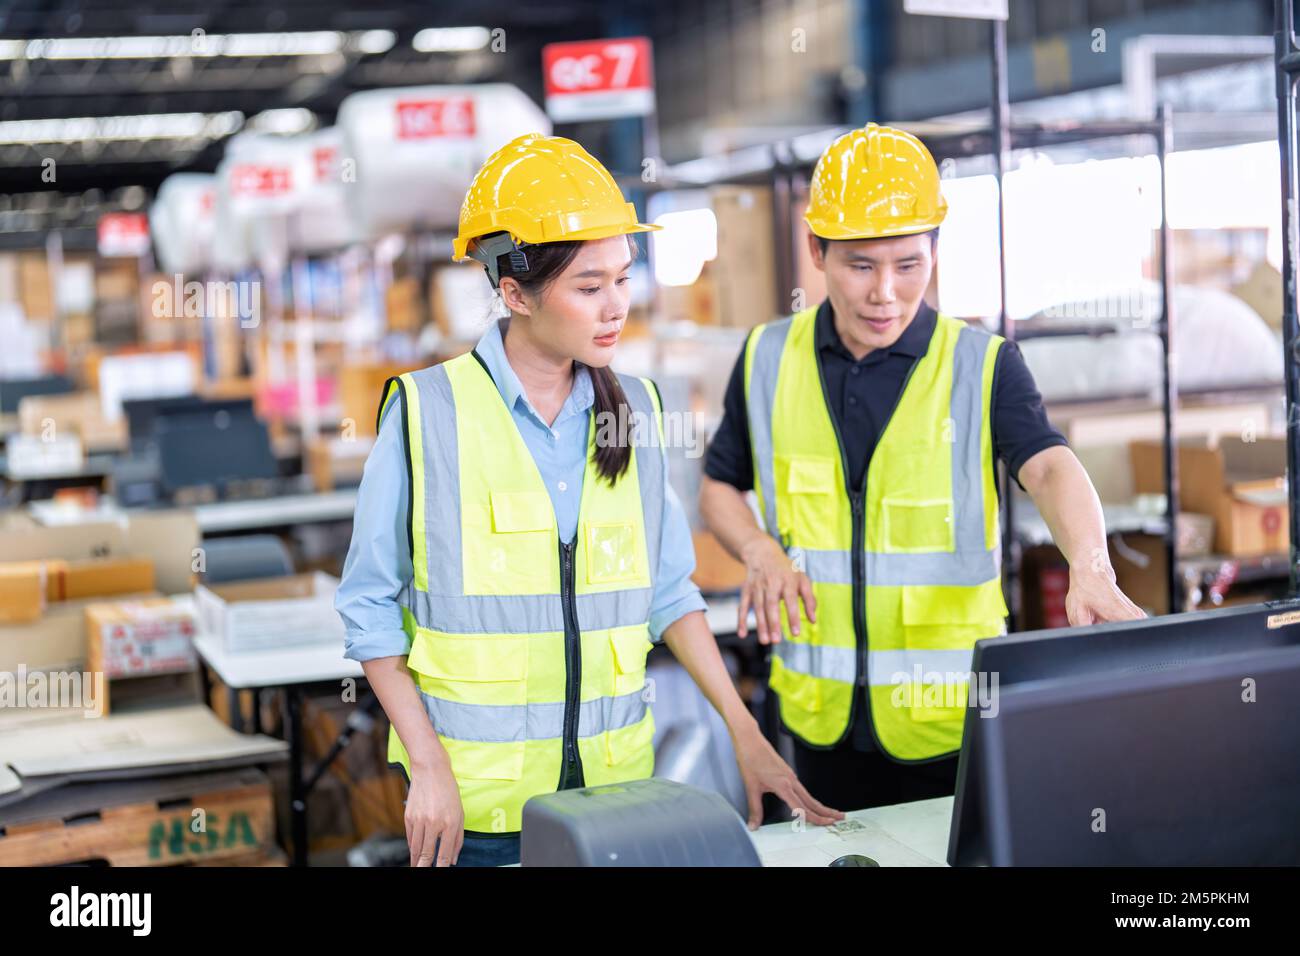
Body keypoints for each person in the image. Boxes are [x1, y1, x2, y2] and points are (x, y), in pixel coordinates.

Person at [336, 133, 842, 867]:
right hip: (478, 813)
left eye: (622, 277)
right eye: (588, 285)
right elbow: (368, 606)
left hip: (614, 800)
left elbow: (670, 591)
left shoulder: (634, 408)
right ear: (514, 293)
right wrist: (430, 767)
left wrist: (744, 731)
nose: (616, 307)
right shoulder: (425, 411)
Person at [698, 122, 1146, 814]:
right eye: (861, 265)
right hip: (819, 723)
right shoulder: (765, 357)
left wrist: (1090, 562)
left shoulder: (982, 364)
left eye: (909, 264)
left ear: (934, 250)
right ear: (816, 251)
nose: (886, 292)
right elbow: (720, 483)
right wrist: (756, 547)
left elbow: (1050, 466)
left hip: (947, 724)